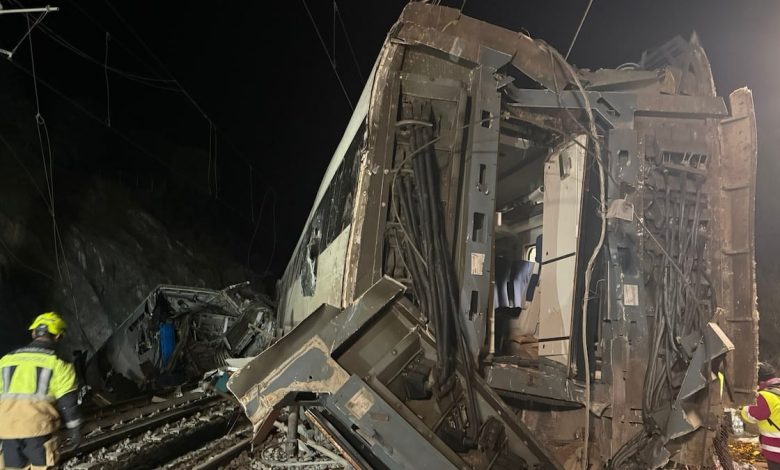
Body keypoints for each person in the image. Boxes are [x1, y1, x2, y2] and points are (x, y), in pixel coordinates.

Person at [0, 312, 82, 469]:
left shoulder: (5, 361)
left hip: (6, 429)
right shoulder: (59, 364)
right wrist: (75, 430)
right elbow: (68, 404)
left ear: (33, 333)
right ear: (57, 337)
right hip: (37, 429)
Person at [741, 362, 780, 470]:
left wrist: (742, 407)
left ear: (759, 382)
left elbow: (749, 415)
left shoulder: (765, 397)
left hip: (777, 453)